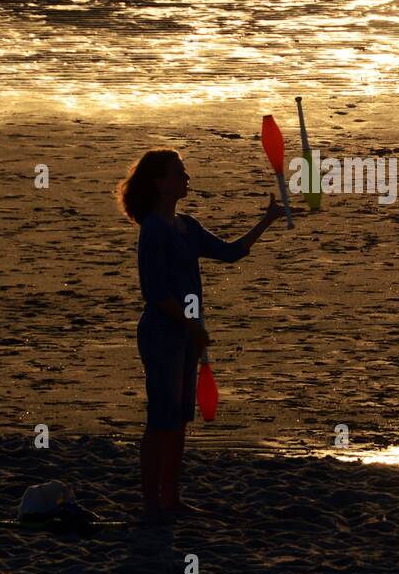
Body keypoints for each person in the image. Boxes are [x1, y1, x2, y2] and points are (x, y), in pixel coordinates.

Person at [116, 148, 282, 525]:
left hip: (188, 335)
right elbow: (155, 292)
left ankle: (171, 499)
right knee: (160, 419)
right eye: (179, 172)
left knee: (179, 420)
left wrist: (267, 220)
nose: (187, 178)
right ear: (160, 182)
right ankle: (152, 505)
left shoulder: (187, 226)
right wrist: (191, 325)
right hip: (162, 334)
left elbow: (230, 253)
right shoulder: (153, 231)